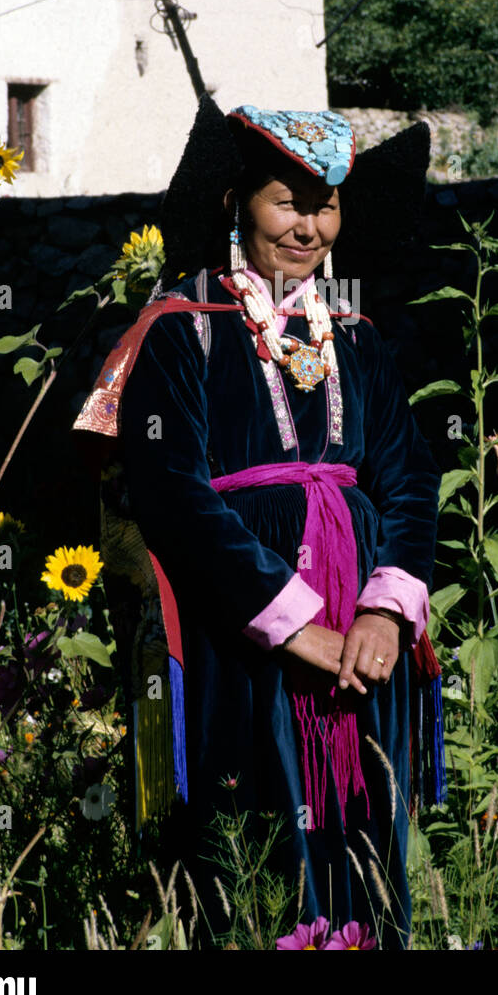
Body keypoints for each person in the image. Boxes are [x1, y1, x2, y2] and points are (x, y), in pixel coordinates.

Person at [74, 102, 444, 949]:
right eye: (289, 202)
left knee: (364, 823)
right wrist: (293, 623)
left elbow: (409, 477)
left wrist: (385, 611)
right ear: (238, 200)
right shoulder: (182, 330)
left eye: (325, 205)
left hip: (362, 633)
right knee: (255, 829)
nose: (309, 227)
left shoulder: (354, 334)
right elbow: (172, 494)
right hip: (240, 635)